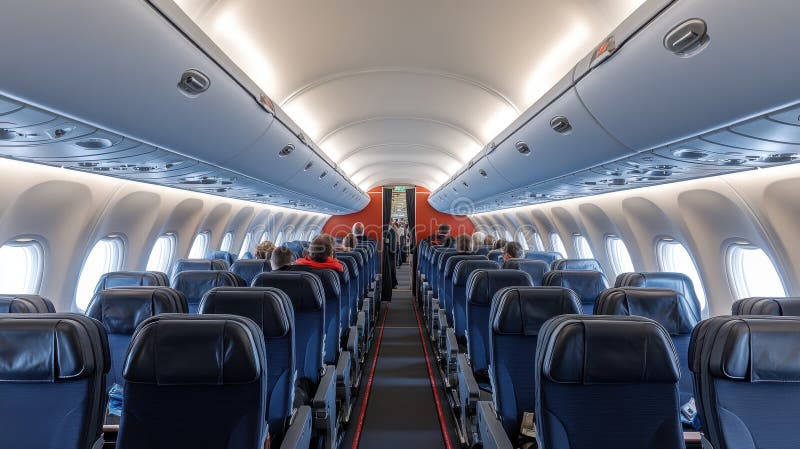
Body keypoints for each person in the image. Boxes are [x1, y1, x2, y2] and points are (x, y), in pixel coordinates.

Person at [381, 223, 398, 300]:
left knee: (390, 269)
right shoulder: (392, 231)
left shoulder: (391, 231)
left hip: (390, 254)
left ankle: (392, 284)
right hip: (389, 253)